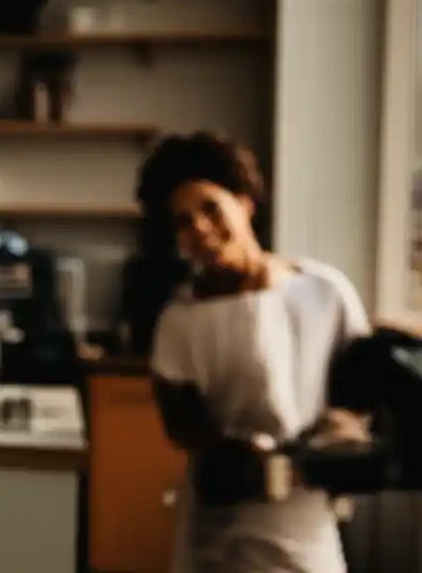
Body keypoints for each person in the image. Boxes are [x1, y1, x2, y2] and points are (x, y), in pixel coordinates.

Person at [139, 132, 372, 573]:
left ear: (244, 203)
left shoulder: (324, 290)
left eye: (211, 208)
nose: (200, 228)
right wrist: (233, 456)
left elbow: (359, 386)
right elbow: (183, 426)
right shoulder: (180, 322)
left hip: (307, 519)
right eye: (184, 222)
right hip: (221, 526)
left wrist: (343, 429)